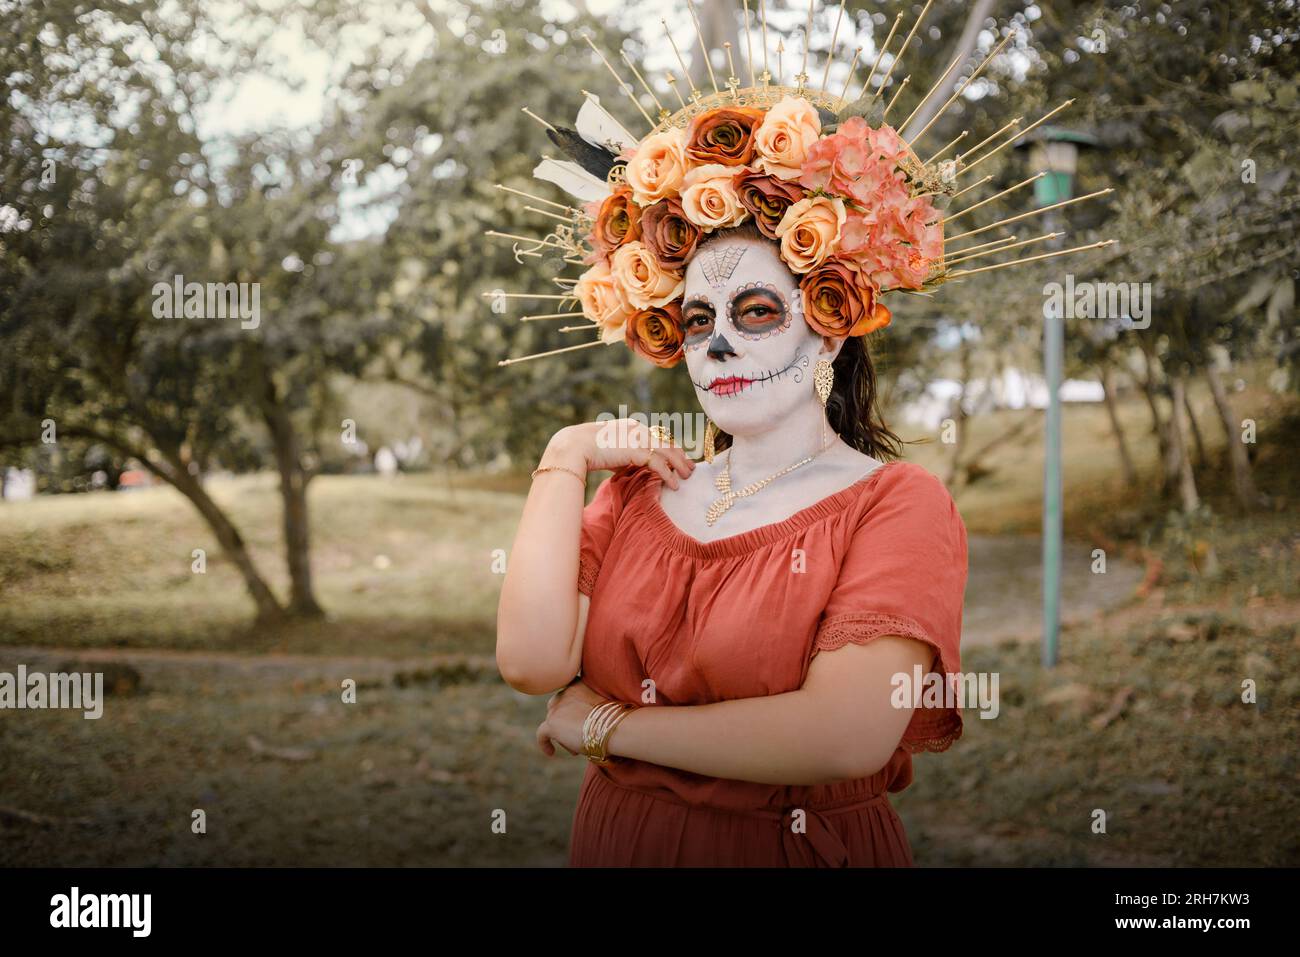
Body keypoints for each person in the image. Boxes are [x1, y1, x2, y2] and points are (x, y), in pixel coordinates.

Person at [496, 219, 969, 867]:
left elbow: (844, 734)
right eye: (697, 320)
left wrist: (608, 727)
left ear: (828, 332)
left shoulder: (894, 503)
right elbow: (531, 662)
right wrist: (565, 456)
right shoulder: (637, 493)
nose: (716, 344)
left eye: (755, 312)